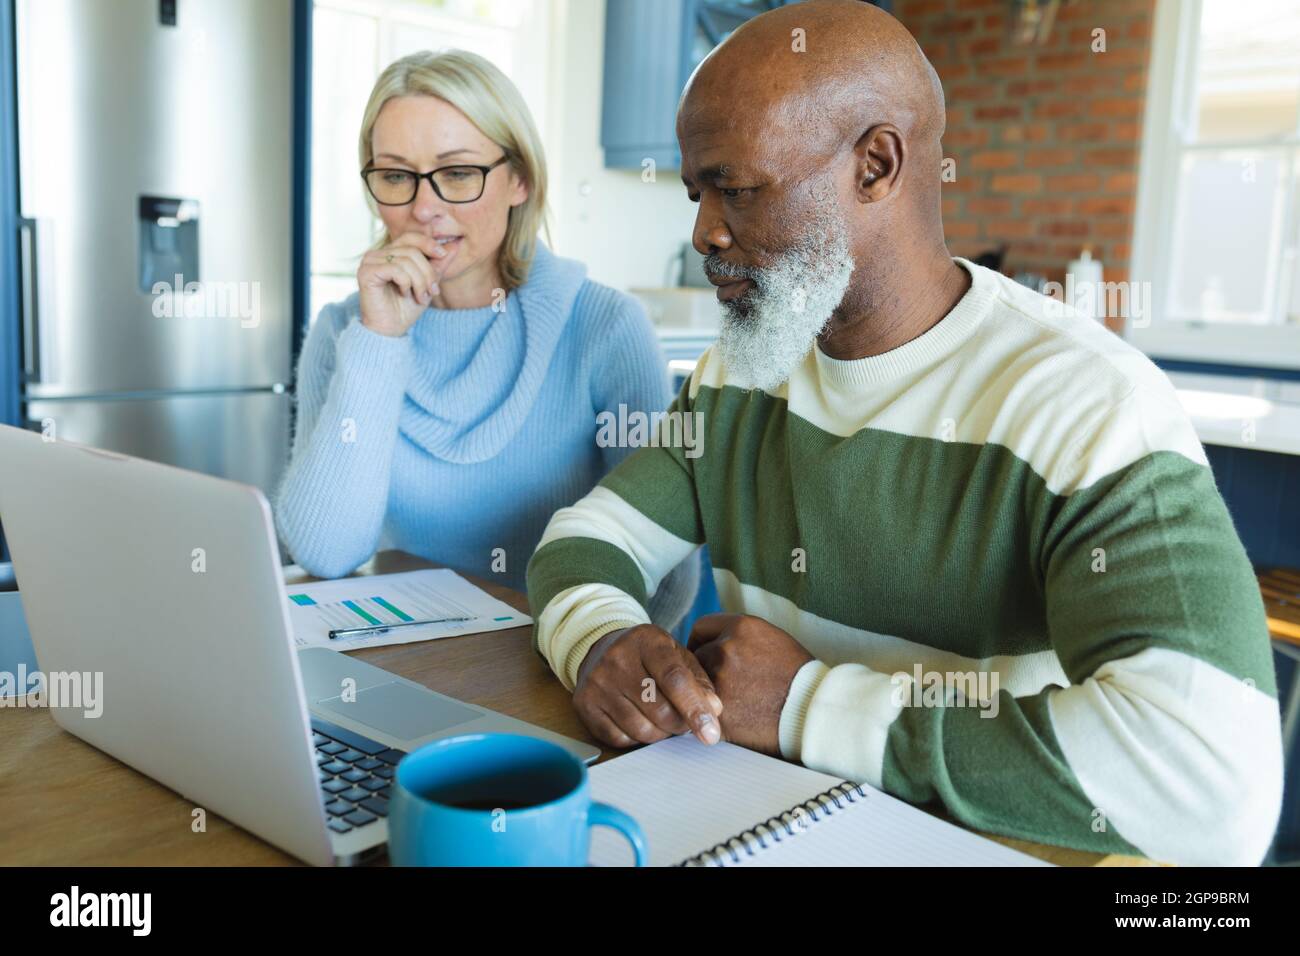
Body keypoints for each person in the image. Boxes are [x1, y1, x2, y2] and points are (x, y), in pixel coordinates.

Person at [526, 0, 1282, 865]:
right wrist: (603, 643)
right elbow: (587, 539)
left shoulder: (1087, 406)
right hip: (766, 824)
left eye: (737, 187)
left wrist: (806, 707)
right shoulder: (739, 373)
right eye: (699, 193)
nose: (705, 233)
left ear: (876, 165)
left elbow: (1212, 780)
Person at [276, 49, 697, 630]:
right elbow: (324, 553)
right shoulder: (346, 330)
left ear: (519, 180)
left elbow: (667, 573)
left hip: (560, 668)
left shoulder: (604, 327)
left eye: (457, 174)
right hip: (402, 659)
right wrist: (380, 340)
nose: (425, 208)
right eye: (397, 176)